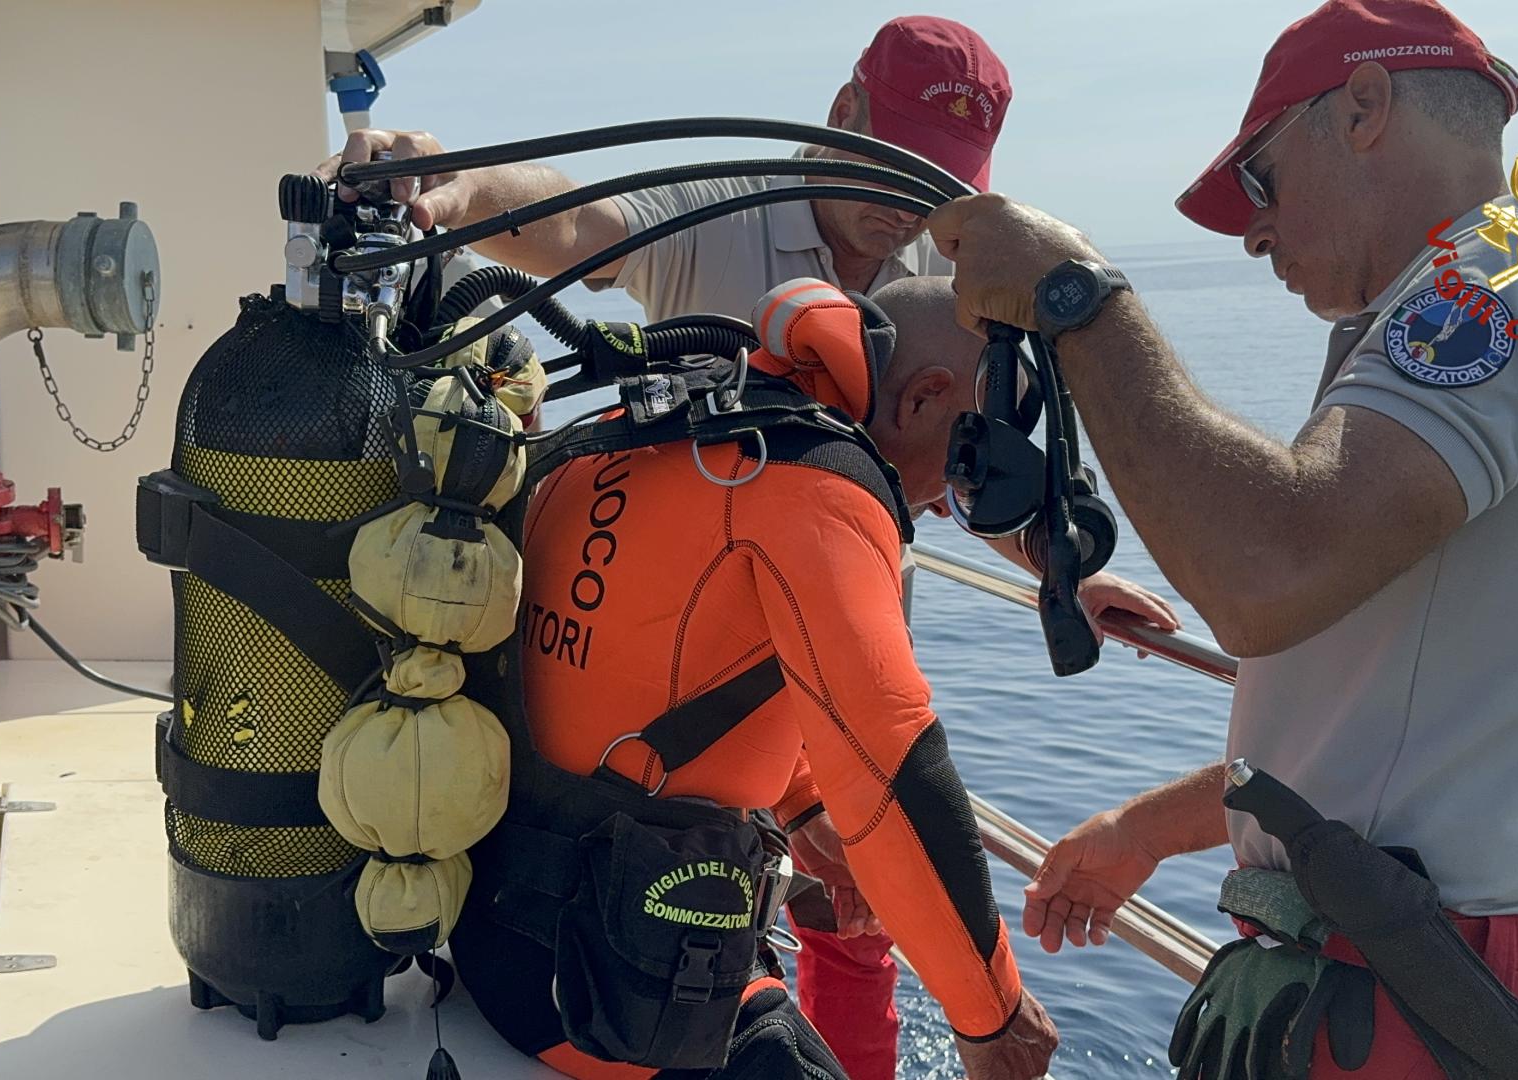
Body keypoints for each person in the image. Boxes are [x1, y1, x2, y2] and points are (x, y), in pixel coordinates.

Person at [319, 16, 1178, 1078]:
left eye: (934, 182)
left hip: (521, 915)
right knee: (875, 841)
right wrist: (442, 188)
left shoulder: (897, 296)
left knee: (849, 894)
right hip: (604, 976)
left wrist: (1060, 572)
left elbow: (929, 460)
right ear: (841, 120)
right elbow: (570, 221)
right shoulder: (762, 331)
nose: (906, 201)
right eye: (891, 160)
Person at [925, 1, 1518, 1077]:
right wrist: (1144, 830)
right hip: (1414, 975)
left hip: (1415, 995)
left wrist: (1077, 304)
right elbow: (1389, 725)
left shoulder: (1501, 287)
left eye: (1260, 183)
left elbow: (1269, 574)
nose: (1254, 233)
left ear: (1365, 106)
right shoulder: (1507, 297)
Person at [451, 275, 1058, 1080]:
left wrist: (803, 801)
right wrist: (994, 1015)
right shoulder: (820, 480)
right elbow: (893, 766)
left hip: (495, 941)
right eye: (968, 461)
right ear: (923, 398)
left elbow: (648, 662)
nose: (951, 506)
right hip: (615, 1002)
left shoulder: (634, 426)